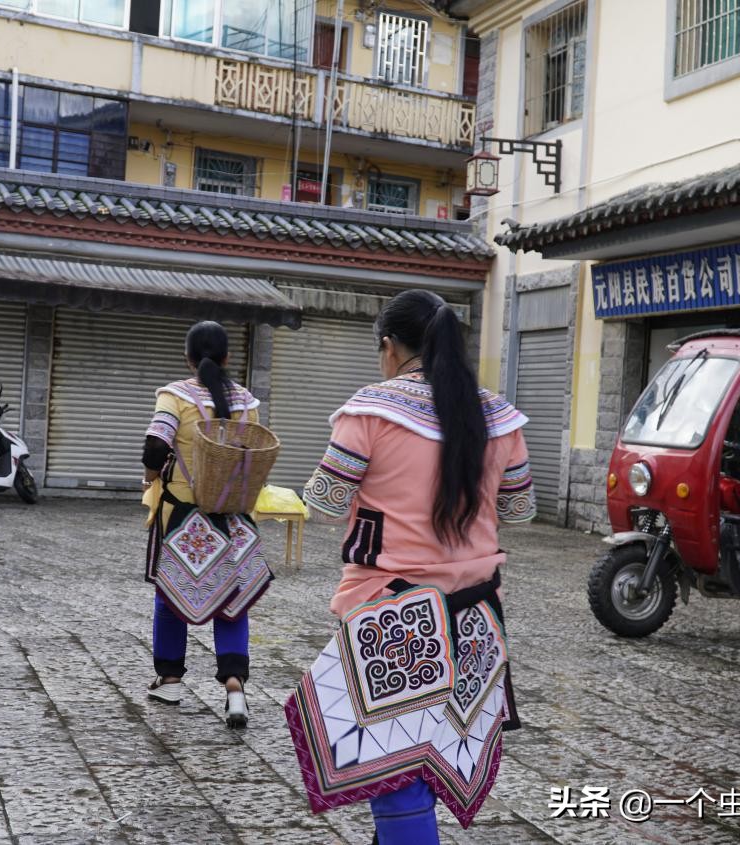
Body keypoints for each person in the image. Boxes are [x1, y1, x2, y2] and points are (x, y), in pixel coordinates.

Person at [288, 290, 536, 844]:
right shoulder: (498, 416)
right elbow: (518, 510)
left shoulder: (370, 411)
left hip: (390, 612)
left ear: (389, 346)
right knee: (430, 754)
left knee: (394, 766)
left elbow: (324, 505)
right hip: (475, 618)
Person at [141, 321, 273, 728]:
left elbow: (156, 445)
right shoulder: (247, 403)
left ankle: (171, 680)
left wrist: (151, 475)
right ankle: (235, 689)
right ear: (228, 358)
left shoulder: (174, 396)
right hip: (232, 517)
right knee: (233, 602)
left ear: (188, 358)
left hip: (182, 515)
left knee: (170, 596)